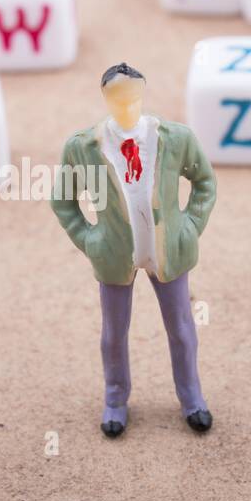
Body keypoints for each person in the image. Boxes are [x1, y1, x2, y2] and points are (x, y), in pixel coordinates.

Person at [50, 62, 217, 438]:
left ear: (142, 93)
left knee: (181, 328)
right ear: (105, 97)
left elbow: (204, 183)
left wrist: (189, 228)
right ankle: (115, 399)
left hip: (168, 253)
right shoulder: (83, 148)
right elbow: (63, 201)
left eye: (132, 94)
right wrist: (89, 240)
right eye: (117, 95)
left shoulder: (176, 138)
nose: (126, 103)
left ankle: (192, 398)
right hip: (113, 254)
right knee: (113, 333)